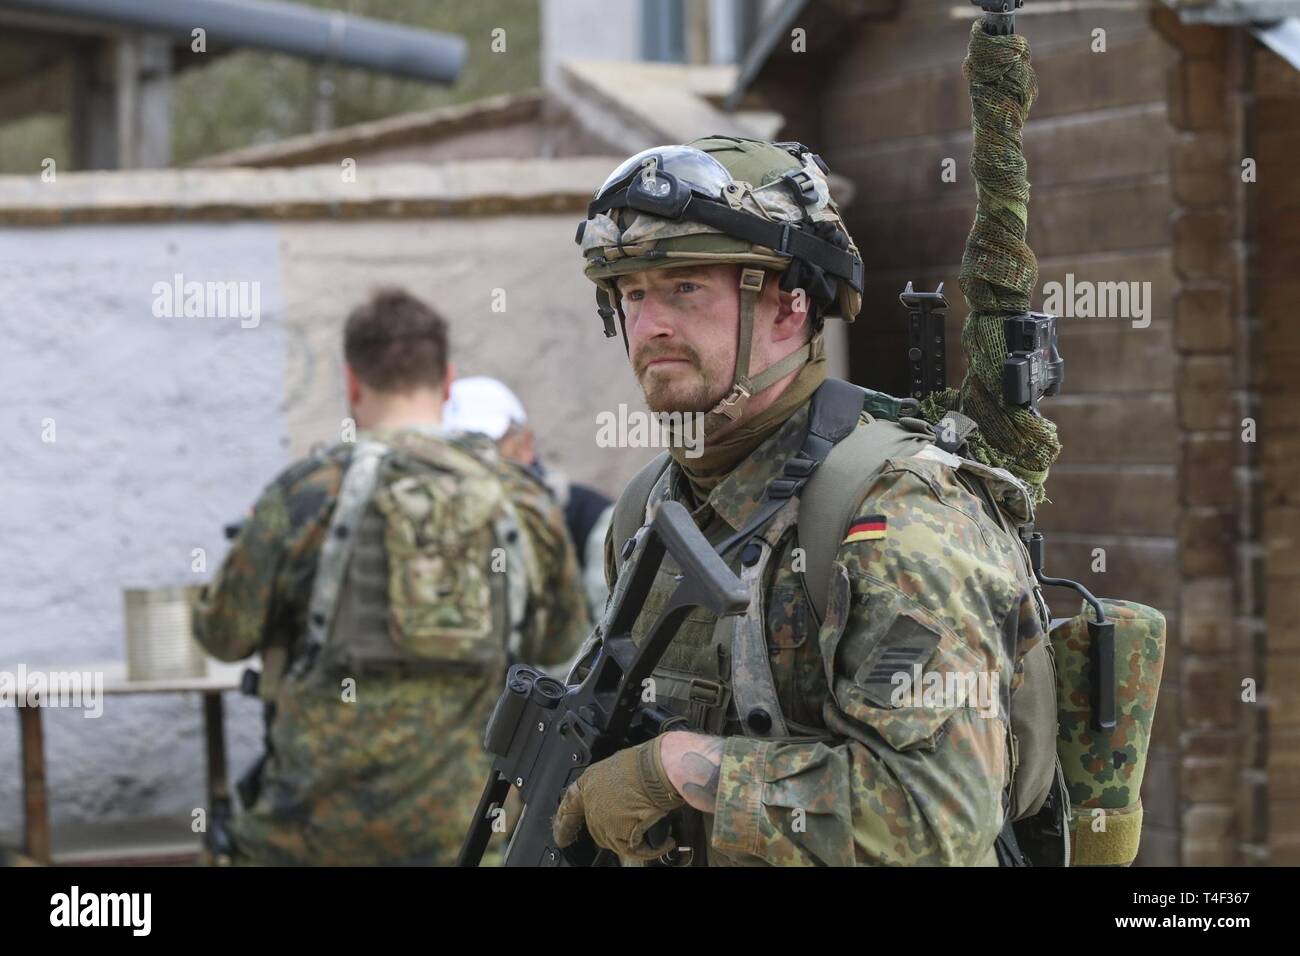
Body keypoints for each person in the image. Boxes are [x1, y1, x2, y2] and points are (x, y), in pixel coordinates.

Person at [551, 136, 1053, 866]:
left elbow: (930, 812)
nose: (651, 324)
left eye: (686, 288)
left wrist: (679, 771)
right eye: (633, 294)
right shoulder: (650, 510)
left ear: (789, 305)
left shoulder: (897, 516)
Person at [194, 288, 588, 865]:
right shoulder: (524, 501)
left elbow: (221, 636)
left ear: (353, 384)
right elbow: (560, 651)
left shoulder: (305, 494)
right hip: (468, 833)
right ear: (448, 382)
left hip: (307, 836)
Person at [443, 375, 614, 624]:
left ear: (525, 444)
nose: (472, 466)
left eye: (485, 448)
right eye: (457, 453)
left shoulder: (592, 521)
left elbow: (615, 642)